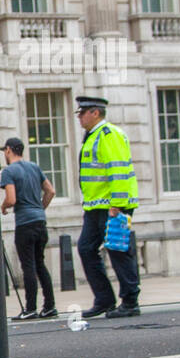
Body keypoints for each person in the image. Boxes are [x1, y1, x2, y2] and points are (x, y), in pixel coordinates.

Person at [75, 95, 140, 318]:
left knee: (118, 249)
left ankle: (130, 301)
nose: (79, 117)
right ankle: (104, 300)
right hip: (94, 206)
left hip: (112, 205)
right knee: (85, 248)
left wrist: (118, 205)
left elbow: (118, 170)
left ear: (95, 112)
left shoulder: (108, 134)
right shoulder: (93, 136)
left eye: (82, 113)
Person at [0, 136, 57, 320]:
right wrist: (40, 207)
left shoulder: (9, 171)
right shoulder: (34, 167)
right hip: (40, 221)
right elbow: (51, 191)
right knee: (40, 264)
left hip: (24, 223)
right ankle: (49, 306)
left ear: (8, 150)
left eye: (5, 151)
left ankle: (30, 308)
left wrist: (3, 207)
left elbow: (12, 199)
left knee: (28, 266)